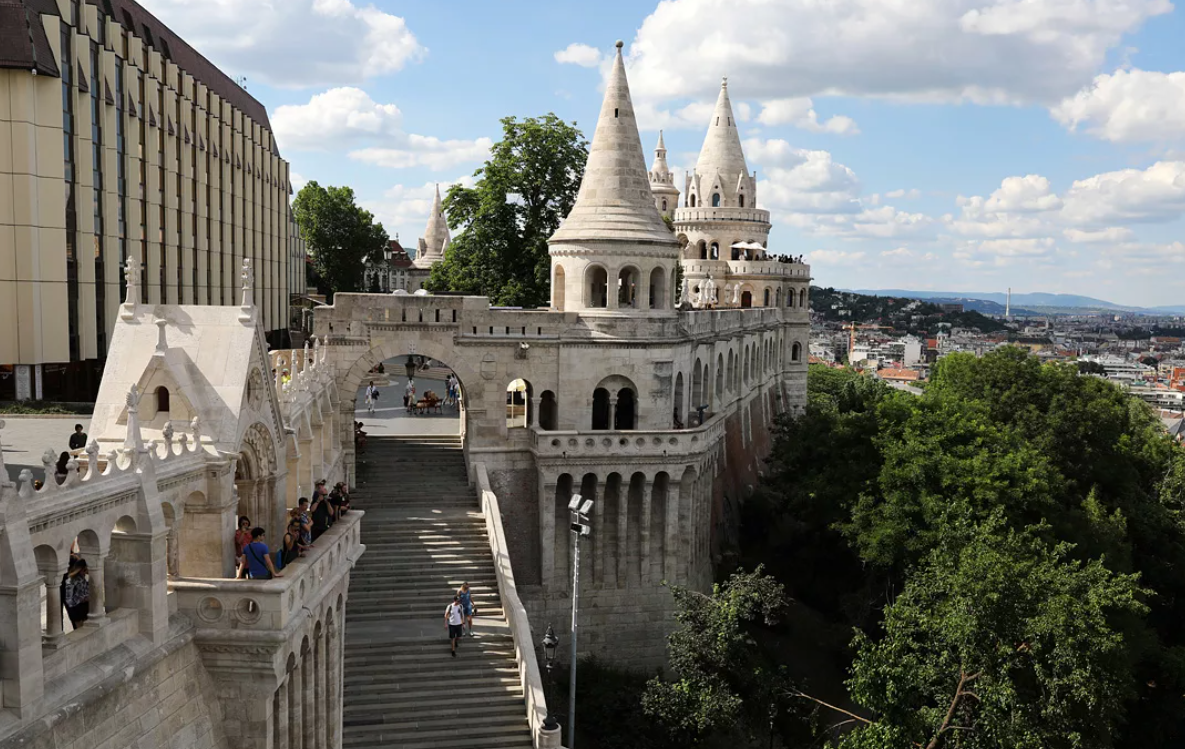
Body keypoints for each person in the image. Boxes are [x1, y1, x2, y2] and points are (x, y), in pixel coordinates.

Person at [63, 559, 90, 628]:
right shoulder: (72, 580)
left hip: (85, 610)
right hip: (78, 612)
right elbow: (69, 601)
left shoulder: (83, 578)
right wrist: (82, 598)